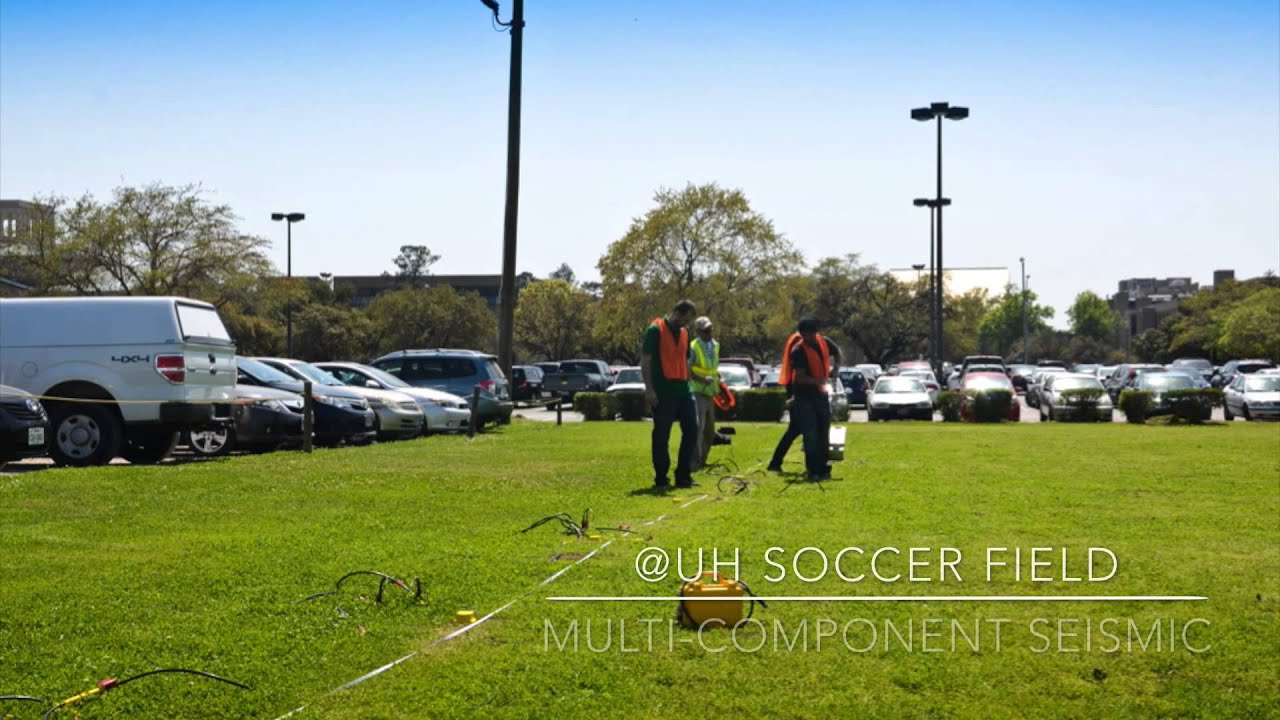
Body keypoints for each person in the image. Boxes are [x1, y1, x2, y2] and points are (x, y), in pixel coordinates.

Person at [768, 317, 839, 480]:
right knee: (810, 433)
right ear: (802, 334)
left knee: (822, 431)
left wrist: (836, 369)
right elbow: (799, 377)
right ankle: (812, 470)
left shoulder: (824, 342)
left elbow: (837, 353)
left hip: (821, 394)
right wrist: (817, 381)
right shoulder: (798, 351)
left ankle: (822, 467)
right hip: (803, 396)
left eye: (814, 333)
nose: (812, 337)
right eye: (808, 334)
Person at [641, 300, 699, 489]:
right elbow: (646, 360)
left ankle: (683, 475)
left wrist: (691, 382)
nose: (686, 324)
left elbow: (685, 360)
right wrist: (649, 389)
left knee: (692, 429)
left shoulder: (684, 333)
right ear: (676, 313)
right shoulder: (654, 330)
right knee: (661, 435)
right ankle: (661, 478)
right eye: (685, 319)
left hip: (683, 389)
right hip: (663, 391)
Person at [687, 316, 720, 471]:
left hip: (710, 392)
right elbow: (688, 371)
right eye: (706, 330)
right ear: (698, 331)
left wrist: (717, 379)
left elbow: (713, 368)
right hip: (698, 391)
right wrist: (702, 379)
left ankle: (703, 459)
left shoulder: (715, 346)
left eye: (710, 329)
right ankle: (695, 462)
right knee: (698, 428)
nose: (709, 333)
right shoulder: (693, 347)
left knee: (709, 430)